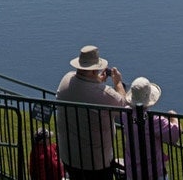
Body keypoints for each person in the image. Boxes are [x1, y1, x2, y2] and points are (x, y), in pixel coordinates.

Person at [55, 45, 129, 180]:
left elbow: (84, 88)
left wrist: (97, 80)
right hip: (95, 162)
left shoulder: (66, 80)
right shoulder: (104, 95)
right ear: (95, 70)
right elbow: (123, 104)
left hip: (69, 156)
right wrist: (118, 83)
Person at [120, 77, 181, 180]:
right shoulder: (154, 120)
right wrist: (174, 117)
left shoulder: (126, 114)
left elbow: (125, 105)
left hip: (133, 171)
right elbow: (174, 135)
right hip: (154, 172)